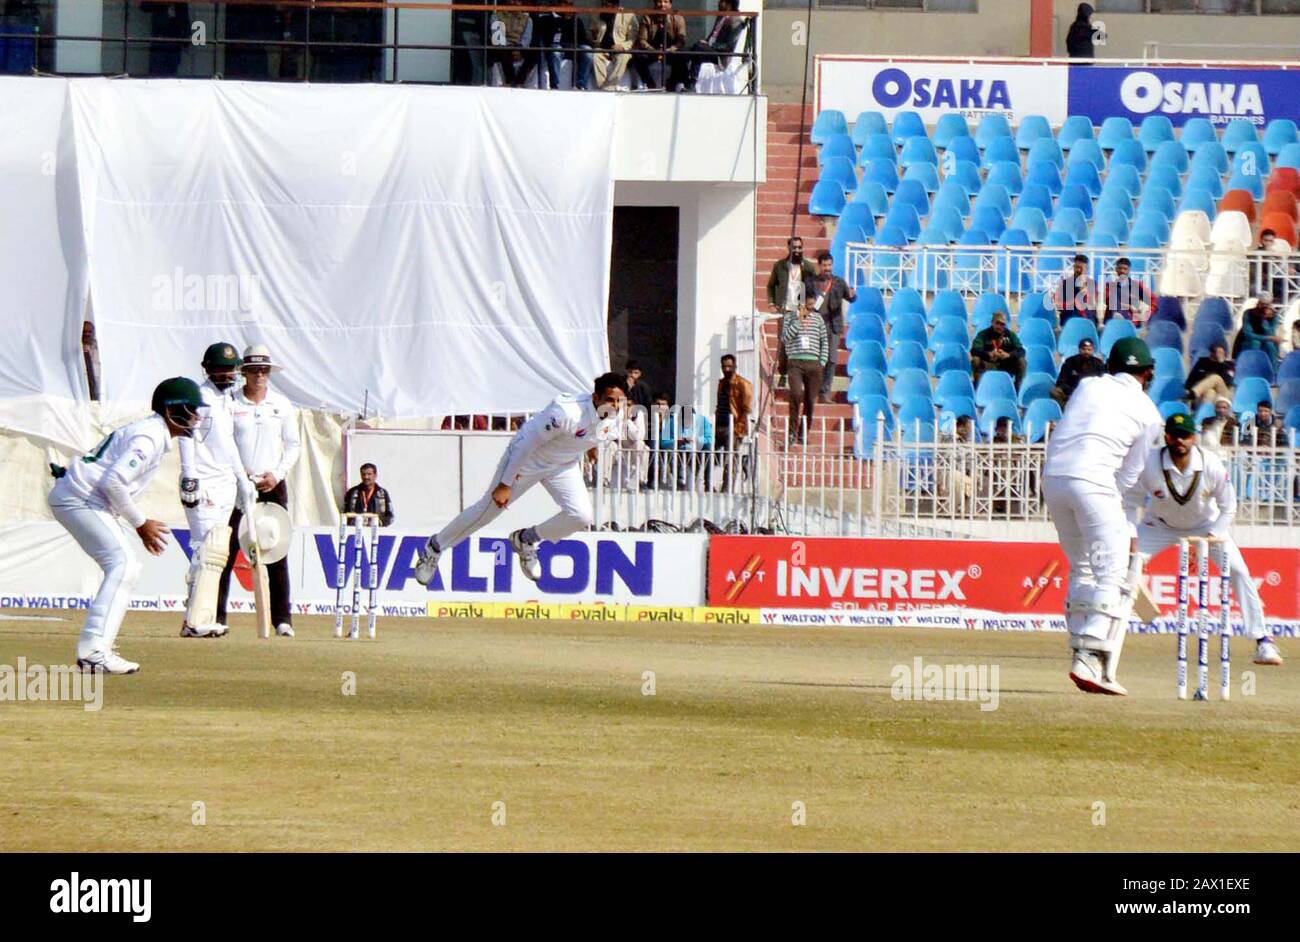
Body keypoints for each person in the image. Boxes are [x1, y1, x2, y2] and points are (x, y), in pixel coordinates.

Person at [47, 378, 204, 673]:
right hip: (80, 499)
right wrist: (140, 523)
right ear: (173, 410)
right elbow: (113, 481)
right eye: (192, 409)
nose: (197, 417)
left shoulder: (153, 433)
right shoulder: (150, 437)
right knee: (123, 565)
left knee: (126, 566)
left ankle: (97, 648)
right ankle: (94, 651)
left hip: (81, 498)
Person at [414, 373, 628, 585]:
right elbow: (527, 444)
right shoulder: (566, 411)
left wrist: (590, 448)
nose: (616, 406)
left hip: (563, 465)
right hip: (528, 458)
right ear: (595, 397)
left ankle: (526, 540)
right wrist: (505, 483)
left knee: (581, 516)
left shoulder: (615, 414)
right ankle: (433, 548)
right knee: (486, 513)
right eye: (610, 400)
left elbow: (592, 431)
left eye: (620, 401)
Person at [1042, 337, 1164, 696]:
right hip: (1093, 482)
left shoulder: (1087, 386)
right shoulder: (1148, 413)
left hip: (1053, 480)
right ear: (1148, 373)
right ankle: (1090, 659)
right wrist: (1123, 514)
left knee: (1082, 567)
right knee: (1111, 573)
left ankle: (1080, 645)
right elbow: (1130, 474)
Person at [1126, 413, 1282, 667]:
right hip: (1159, 527)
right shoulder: (1150, 463)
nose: (1180, 441)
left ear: (1194, 438)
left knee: (1239, 572)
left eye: (1185, 436)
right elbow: (1131, 501)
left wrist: (1210, 539)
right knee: (1122, 563)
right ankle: (1106, 644)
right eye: (1175, 435)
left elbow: (1229, 506)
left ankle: (1263, 641)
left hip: (1206, 526)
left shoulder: (1210, 464)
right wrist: (1131, 536)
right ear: (1167, 436)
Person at [217, 345, 301, 638]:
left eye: (264, 370)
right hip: (235, 484)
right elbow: (222, 443)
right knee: (224, 551)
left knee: (275, 549)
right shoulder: (230, 402)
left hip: (271, 485)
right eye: (254, 371)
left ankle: (282, 619)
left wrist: (276, 475)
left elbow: (293, 445)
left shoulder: (281, 404)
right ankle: (217, 616)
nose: (259, 375)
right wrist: (240, 478)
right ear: (244, 373)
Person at [178, 342, 257, 639]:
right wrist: (189, 475)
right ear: (207, 369)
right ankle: (195, 620)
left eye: (231, 369)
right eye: (222, 369)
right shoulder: (197, 397)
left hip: (225, 484)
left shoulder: (228, 401)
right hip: (203, 481)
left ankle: (200, 617)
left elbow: (229, 446)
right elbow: (187, 436)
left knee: (217, 553)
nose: (228, 375)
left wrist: (242, 482)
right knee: (205, 549)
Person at [807, 249, 856, 404]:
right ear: (819, 266)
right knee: (814, 358)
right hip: (814, 325)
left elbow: (850, 298)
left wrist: (853, 295)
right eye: (824, 265)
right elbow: (800, 300)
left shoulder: (839, 282)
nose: (827, 268)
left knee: (831, 359)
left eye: (829, 265)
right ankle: (812, 390)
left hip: (833, 324)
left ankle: (825, 392)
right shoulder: (809, 282)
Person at [781, 295, 828, 445]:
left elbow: (824, 341)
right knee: (795, 394)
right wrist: (799, 320)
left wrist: (822, 362)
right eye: (808, 306)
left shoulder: (818, 319)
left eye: (812, 306)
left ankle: (803, 433)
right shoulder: (790, 318)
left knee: (810, 400)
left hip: (814, 364)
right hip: (795, 362)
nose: (811, 309)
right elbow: (785, 338)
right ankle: (791, 432)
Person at [683, 0, 745, 91]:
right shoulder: (720, 17)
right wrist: (705, 43)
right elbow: (712, 36)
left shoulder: (735, 21)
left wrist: (710, 46)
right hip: (710, 49)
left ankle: (692, 82)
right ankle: (681, 83)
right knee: (683, 51)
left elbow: (728, 46)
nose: (719, 3)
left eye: (722, 1)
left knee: (698, 47)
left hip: (720, 55)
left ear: (730, 4)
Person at [531, 0, 593, 89]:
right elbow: (548, 39)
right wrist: (563, 19)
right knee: (555, 51)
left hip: (573, 47)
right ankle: (555, 85)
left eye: (571, 4)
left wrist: (570, 20)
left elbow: (582, 40)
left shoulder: (576, 20)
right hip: (558, 47)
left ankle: (580, 85)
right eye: (566, 3)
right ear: (558, 4)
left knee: (587, 51)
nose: (569, 6)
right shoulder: (547, 19)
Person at [714, 353, 753, 490]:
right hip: (719, 424)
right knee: (710, 453)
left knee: (731, 458)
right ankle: (709, 483)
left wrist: (739, 429)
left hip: (734, 426)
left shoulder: (743, 384)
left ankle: (727, 488)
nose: (727, 369)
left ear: (735, 366)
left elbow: (746, 408)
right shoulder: (722, 383)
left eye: (730, 366)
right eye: (724, 367)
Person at [631, 0, 687, 91]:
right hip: (652, 50)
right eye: (659, 2)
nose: (662, 5)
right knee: (638, 56)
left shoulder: (678, 18)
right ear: (655, 4)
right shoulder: (647, 17)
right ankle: (649, 84)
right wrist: (654, 51)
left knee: (682, 56)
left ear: (670, 4)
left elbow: (681, 41)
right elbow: (642, 40)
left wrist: (669, 50)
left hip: (670, 51)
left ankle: (674, 84)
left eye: (665, 2)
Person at [970, 311, 1026, 388]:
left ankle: (1017, 389)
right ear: (992, 322)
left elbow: (1021, 351)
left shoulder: (1010, 335)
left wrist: (1008, 355)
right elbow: (974, 350)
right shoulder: (983, 334)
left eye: (1002, 324)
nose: (999, 326)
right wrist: (988, 354)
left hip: (1006, 364)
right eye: (997, 323)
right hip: (989, 363)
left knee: (1022, 361)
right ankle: (978, 388)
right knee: (976, 360)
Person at [588, 0, 637, 90]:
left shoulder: (628, 15)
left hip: (619, 48)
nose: (605, 7)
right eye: (603, 4)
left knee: (624, 56)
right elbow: (591, 38)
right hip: (602, 48)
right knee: (595, 55)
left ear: (616, 5)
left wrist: (623, 46)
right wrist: (594, 37)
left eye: (607, 5)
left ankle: (609, 86)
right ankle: (603, 86)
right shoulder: (597, 15)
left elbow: (633, 38)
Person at [766, 236, 817, 317]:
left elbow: (815, 288)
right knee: (783, 330)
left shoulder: (808, 267)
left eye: (799, 247)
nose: (797, 250)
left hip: (801, 311)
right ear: (789, 248)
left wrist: (809, 307)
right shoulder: (779, 266)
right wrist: (771, 304)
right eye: (794, 247)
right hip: (783, 311)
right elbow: (770, 286)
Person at [489, 0, 535, 88]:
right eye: (512, 0)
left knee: (534, 54)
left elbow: (527, 39)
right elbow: (498, 38)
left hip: (519, 47)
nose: (514, 3)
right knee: (504, 52)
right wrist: (510, 48)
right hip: (503, 46)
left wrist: (519, 48)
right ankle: (510, 81)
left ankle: (519, 81)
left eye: (518, 1)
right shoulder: (496, 16)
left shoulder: (527, 19)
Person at [1050, 337, 1104, 407]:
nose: (1086, 352)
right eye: (1083, 349)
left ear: (1093, 350)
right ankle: (1067, 409)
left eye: (1089, 350)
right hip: (1071, 394)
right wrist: (1073, 391)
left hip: (1091, 395)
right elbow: (1061, 382)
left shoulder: (1098, 363)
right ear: (1079, 349)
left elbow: (1103, 382)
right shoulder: (1070, 362)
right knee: (1055, 392)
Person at [1101, 257, 1155, 326]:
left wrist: (1145, 315)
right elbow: (1108, 301)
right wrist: (1128, 306)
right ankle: (1118, 319)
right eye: (1120, 268)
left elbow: (1153, 300)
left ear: (1129, 270)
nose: (1122, 271)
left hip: (1132, 322)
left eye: (1125, 269)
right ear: (1116, 269)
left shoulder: (1137, 285)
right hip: (1112, 322)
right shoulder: (1109, 286)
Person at [1234, 297, 1282, 374]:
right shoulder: (1248, 313)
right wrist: (1267, 338)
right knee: (1256, 342)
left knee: (1270, 345)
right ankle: (1252, 370)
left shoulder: (1274, 316)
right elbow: (1248, 334)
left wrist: (1265, 320)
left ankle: (1274, 372)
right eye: (1262, 304)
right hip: (1248, 339)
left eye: (1267, 305)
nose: (1264, 307)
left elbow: (1271, 333)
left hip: (1266, 339)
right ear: (1258, 303)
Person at [1184, 341, 1236, 406]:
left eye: (1222, 353)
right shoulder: (1202, 362)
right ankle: (1204, 413)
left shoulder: (1229, 365)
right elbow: (1190, 380)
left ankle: (1193, 393)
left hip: (1223, 395)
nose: (1221, 355)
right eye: (1219, 353)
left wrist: (1221, 363)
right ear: (1212, 353)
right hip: (1203, 396)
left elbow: (1228, 382)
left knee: (1216, 378)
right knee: (1210, 392)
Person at [1053, 254, 1098, 325]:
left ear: (1087, 268)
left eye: (1081, 268)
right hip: (1069, 319)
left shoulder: (1092, 284)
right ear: (1073, 267)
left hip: (1088, 320)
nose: (1078, 270)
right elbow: (1059, 306)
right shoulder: (1065, 283)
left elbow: (1092, 305)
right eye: (1076, 267)